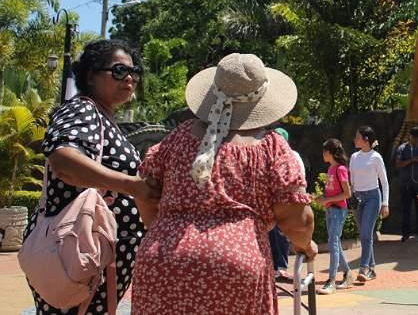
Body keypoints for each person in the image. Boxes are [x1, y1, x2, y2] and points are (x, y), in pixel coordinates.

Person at [131, 53, 316, 314]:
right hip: (235, 265)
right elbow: (297, 220)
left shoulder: (177, 138)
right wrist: (305, 245)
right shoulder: (271, 147)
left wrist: (167, 227)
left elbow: (146, 192)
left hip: (162, 258)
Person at [23, 39, 161, 315]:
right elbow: (63, 159)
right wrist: (132, 185)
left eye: (135, 72)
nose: (130, 78)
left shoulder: (102, 117)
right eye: (119, 71)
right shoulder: (82, 109)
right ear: (90, 75)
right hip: (80, 256)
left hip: (92, 260)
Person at [349, 125, 389, 282]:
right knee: (364, 235)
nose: (354, 139)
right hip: (358, 197)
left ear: (365, 140)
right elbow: (352, 181)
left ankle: (363, 268)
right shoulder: (354, 157)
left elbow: (384, 182)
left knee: (366, 234)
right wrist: (351, 198)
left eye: (357, 136)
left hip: (373, 197)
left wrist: (385, 203)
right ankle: (371, 267)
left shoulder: (376, 157)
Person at [315, 138, 354, 295]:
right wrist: (322, 198)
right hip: (330, 209)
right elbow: (332, 191)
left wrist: (327, 200)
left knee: (333, 242)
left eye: (324, 151)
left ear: (329, 152)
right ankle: (347, 274)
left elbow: (347, 193)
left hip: (338, 210)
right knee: (335, 242)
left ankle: (331, 280)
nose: (322, 154)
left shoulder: (340, 169)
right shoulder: (331, 169)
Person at [268, 127, 305, 284]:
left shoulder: (292, 155)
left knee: (283, 234)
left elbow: (300, 178)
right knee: (271, 234)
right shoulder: (268, 155)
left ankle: (282, 266)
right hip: (271, 202)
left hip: (287, 202)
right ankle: (273, 267)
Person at [394, 126, 418, 242]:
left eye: (417, 138)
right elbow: (398, 164)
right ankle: (405, 234)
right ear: (410, 137)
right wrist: (412, 160)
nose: (415, 140)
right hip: (406, 184)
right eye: (413, 137)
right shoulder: (402, 148)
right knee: (406, 210)